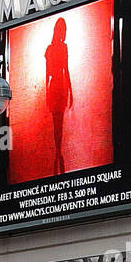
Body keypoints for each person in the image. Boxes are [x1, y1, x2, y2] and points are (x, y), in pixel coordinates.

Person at [45, 17, 74, 175]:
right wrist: (70, 91)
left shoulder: (55, 48)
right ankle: (58, 149)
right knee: (57, 120)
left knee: (59, 120)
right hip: (58, 86)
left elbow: (58, 71)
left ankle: (58, 149)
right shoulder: (58, 48)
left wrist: (70, 91)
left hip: (58, 86)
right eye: (62, 30)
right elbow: (58, 71)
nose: (63, 33)